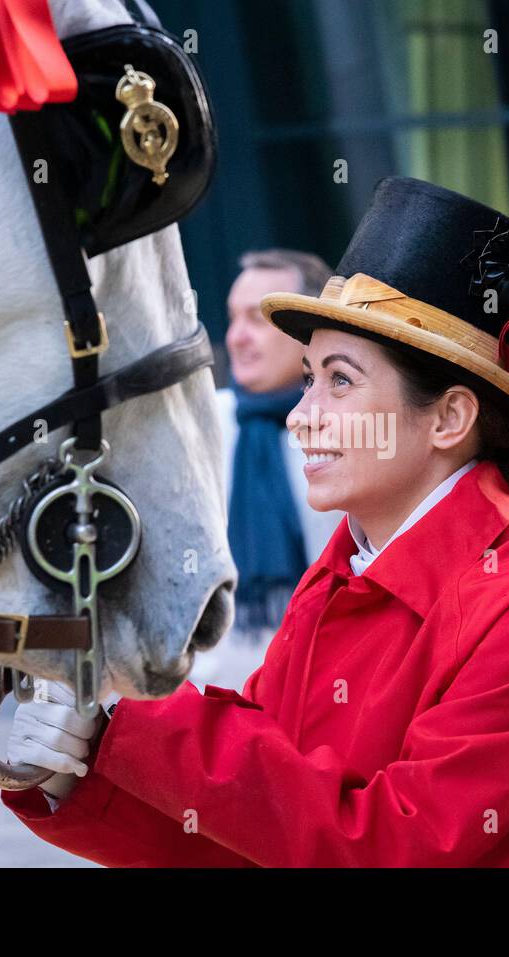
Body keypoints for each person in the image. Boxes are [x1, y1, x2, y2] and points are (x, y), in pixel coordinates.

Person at [4, 176, 509, 867]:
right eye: (308, 378)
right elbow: (256, 836)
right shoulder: (343, 572)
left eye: (340, 381)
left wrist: (135, 721)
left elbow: (397, 847)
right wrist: (74, 776)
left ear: (450, 417)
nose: (299, 416)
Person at [189, 250, 343, 692]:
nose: (236, 337)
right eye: (232, 318)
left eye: (257, 319)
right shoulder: (198, 425)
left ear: (309, 330)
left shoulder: (356, 432)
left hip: (325, 693)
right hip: (212, 697)